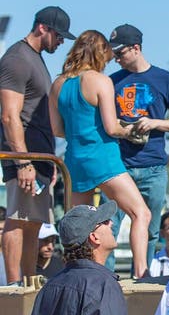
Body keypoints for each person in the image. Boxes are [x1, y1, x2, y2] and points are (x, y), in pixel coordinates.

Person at [49, 30, 151, 279]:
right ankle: (141, 274)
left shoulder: (58, 84)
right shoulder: (100, 81)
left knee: (77, 227)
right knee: (141, 213)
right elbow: (111, 127)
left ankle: (77, 274)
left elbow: (57, 129)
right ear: (99, 53)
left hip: (74, 161)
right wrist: (132, 129)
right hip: (103, 159)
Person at [0, 6, 75, 285]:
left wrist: (46, 161)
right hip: (24, 157)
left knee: (32, 224)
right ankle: (12, 289)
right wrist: (22, 162)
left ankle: (29, 285)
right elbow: (9, 115)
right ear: (42, 28)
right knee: (19, 220)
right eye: (58, 35)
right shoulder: (17, 59)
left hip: (39, 159)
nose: (61, 41)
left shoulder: (35, 59)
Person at [108, 23, 169, 268]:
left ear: (136, 48)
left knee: (151, 230)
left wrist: (153, 123)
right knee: (109, 229)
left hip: (154, 168)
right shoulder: (111, 82)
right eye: (114, 54)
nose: (116, 59)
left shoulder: (165, 79)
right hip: (119, 167)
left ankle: (141, 280)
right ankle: (107, 280)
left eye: (120, 53)